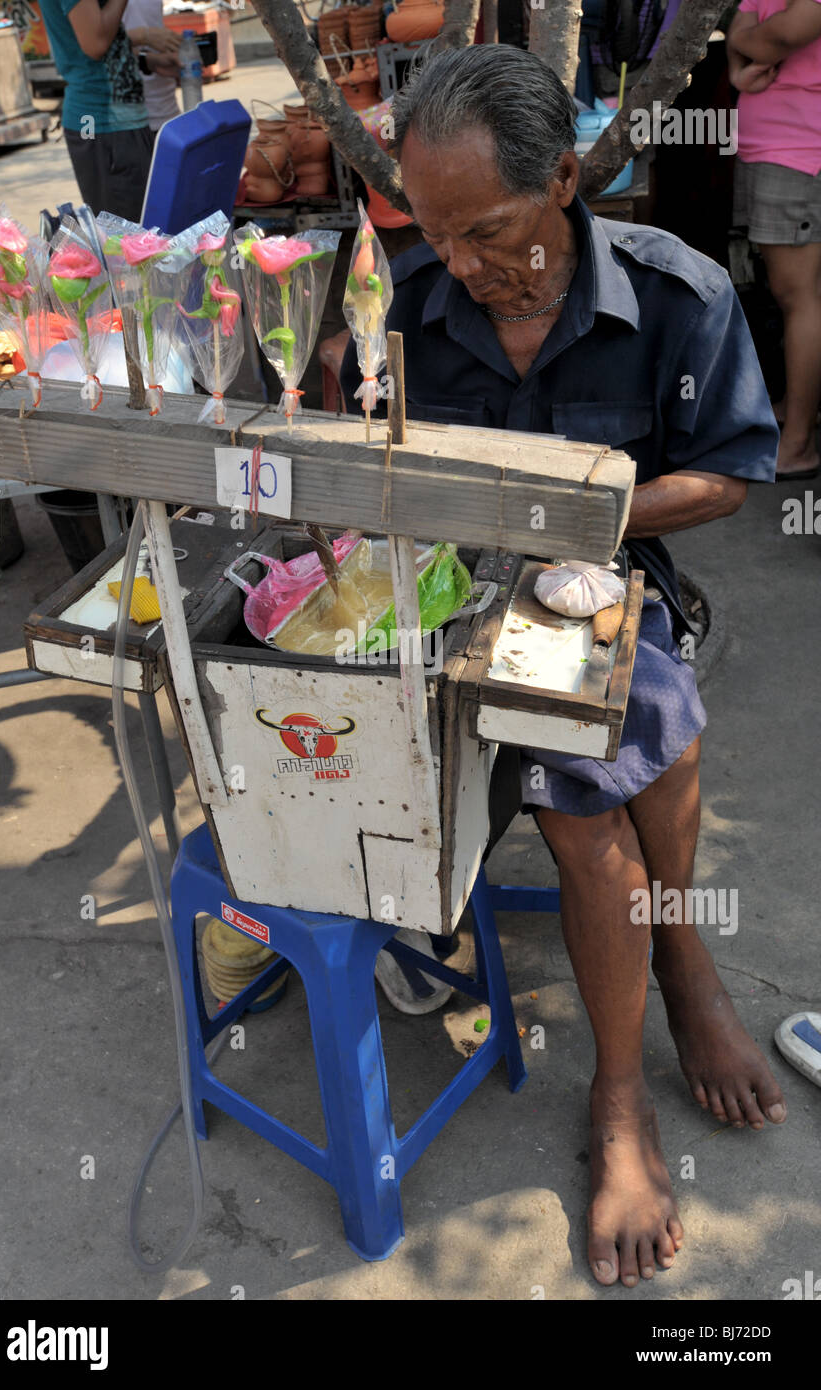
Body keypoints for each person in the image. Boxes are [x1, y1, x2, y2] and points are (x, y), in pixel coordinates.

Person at [341, 44, 786, 1290]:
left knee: (646, 694)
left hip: (624, 587)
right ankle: (623, 1093)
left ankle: (682, 967)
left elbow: (732, 478)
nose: (464, 264)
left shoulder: (679, 294)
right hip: (465, 612)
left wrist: (587, 507)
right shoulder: (417, 308)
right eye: (432, 229)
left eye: (486, 229)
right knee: (598, 820)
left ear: (566, 177)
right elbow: (373, 460)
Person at [727, 0, 821, 479]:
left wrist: (747, 38)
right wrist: (742, 61)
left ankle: (800, 444)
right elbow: (742, 30)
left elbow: (772, 38)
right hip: (771, 147)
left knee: (798, 297)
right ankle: (793, 407)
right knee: (787, 293)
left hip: (802, 150)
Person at [38, 0, 168, 220]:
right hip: (101, 123)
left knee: (143, 235)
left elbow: (101, 41)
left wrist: (151, 61)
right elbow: (95, 43)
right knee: (128, 243)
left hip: (117, 123)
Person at [124, 0, 181, 134]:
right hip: (124, 120)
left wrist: (153, 60)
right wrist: (144, 36)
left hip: (166, 109)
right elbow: (91, 43)